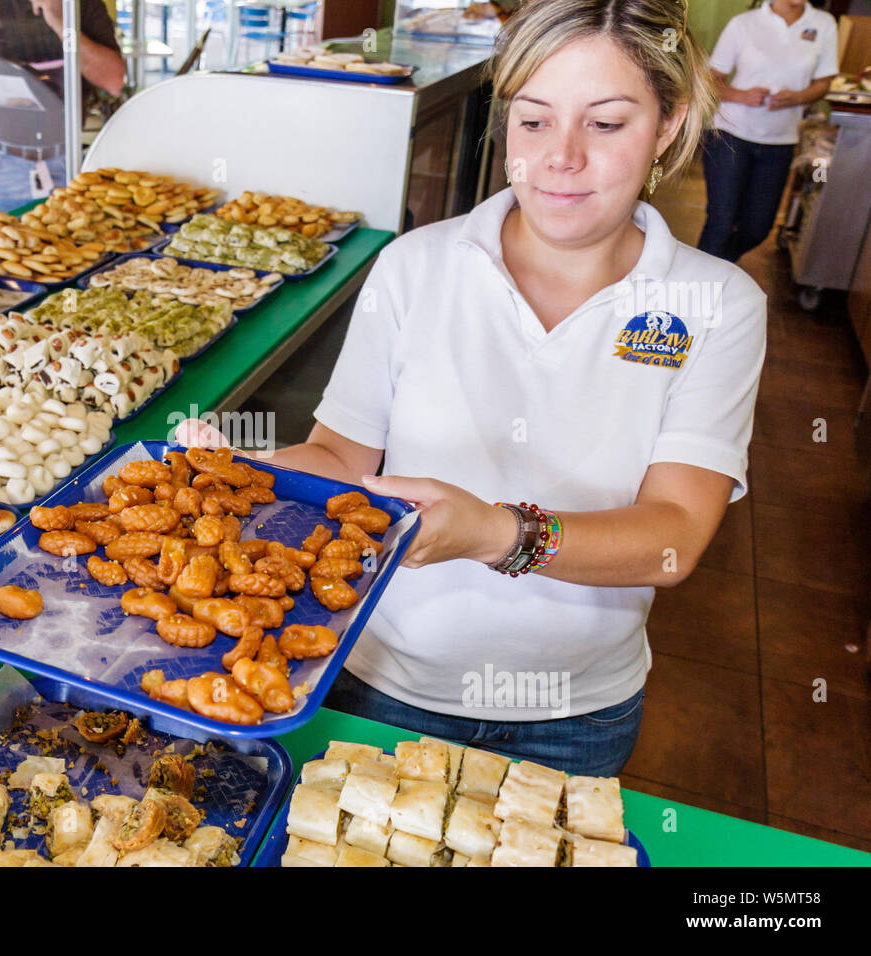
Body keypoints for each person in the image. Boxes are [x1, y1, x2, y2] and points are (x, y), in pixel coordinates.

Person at [177, 0, 767, 777]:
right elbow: (341, 457)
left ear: (667, 124)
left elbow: (672, 540)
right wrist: (246, 475)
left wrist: (496, 534)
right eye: (533, 120)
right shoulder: (416, 266)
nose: (560, 157)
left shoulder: (717, 303)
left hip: (573, 715)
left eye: (606, 123)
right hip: (378, 678)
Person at [0, 0, 125, 221]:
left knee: (69, 254)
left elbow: (113, 81)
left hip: (65, 163)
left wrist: (60, 22)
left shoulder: (78, 4)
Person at [697, 0, 838, 262]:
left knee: (758, 228)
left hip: (780, 142)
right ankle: (700, 291)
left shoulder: (824, 24)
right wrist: (741, 95)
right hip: (730, 136)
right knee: (721, 222)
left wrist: (798, 97)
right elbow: (711, 81)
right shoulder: (744, 23)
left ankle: (718, 268)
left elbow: (823, 83)